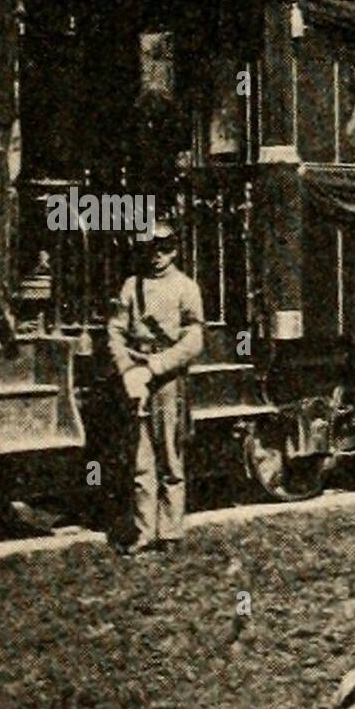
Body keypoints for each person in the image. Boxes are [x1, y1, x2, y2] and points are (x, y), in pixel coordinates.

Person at [106, 221, 204, 554]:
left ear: (175, 250)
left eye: (165, 248)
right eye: (152, 248)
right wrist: (128, 370)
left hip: (166, 380)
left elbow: (194, 340)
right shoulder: (131, 286)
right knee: (140, 458)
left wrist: (156, 366)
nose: (158, 255)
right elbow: (116, 331)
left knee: (170, 457)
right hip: (136, 380)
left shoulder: (186, 287)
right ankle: (144, 531)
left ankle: (171, 532)